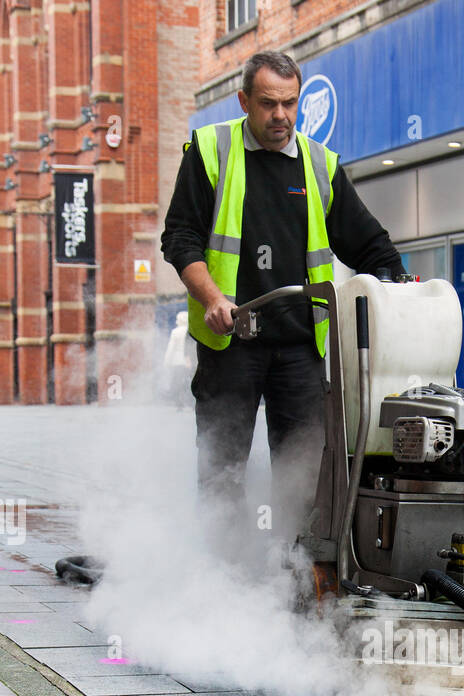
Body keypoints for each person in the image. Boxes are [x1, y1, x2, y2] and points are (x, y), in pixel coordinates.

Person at [161, 49, 404, 540]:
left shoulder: (318, 164)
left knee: (304, 473)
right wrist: (211, 298)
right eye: (269, 104)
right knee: (222, 467)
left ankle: (295, 578)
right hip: (231, 341)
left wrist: (401, 286)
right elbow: (179, 237)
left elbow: (368, 243)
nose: (281, 116)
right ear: (243, 100)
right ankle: (220, 573)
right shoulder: (211, 151)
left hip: (298, 346)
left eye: (290, 103)